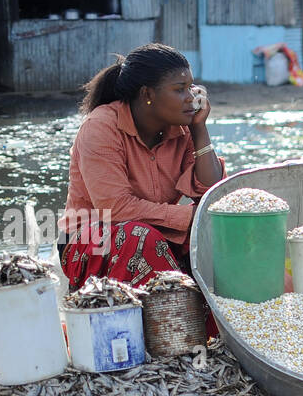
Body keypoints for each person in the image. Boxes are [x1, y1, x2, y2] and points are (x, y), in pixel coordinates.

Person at [58, 43, 225, 291]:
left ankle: (216, 324)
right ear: (147, 95)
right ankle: (174, 318)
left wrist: (200, 129)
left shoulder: (183, 126)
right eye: (180, 89)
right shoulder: (101, 126)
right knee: (140, 237)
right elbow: (116, 209)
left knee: (224, 233)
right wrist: (190, 217)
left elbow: (211, 193)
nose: (191, 97)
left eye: (191, 87)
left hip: (158, 232)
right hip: (90, 240)